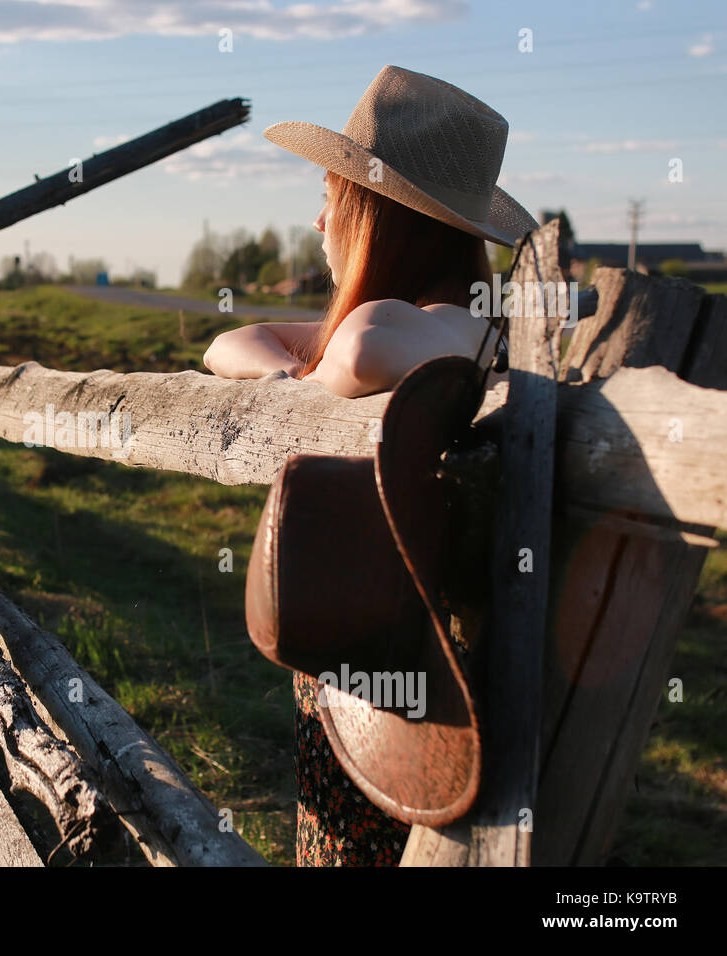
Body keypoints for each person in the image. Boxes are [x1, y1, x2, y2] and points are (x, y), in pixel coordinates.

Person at [203, 65, 540, 866]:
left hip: (425, 685)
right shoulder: (438, 315)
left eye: (334, 197)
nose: (320, 220)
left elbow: (367, 346)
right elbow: (227, 345)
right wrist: (292, 381)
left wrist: (311, 387)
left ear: (377, 214)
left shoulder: (452, 324)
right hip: (385, 672)